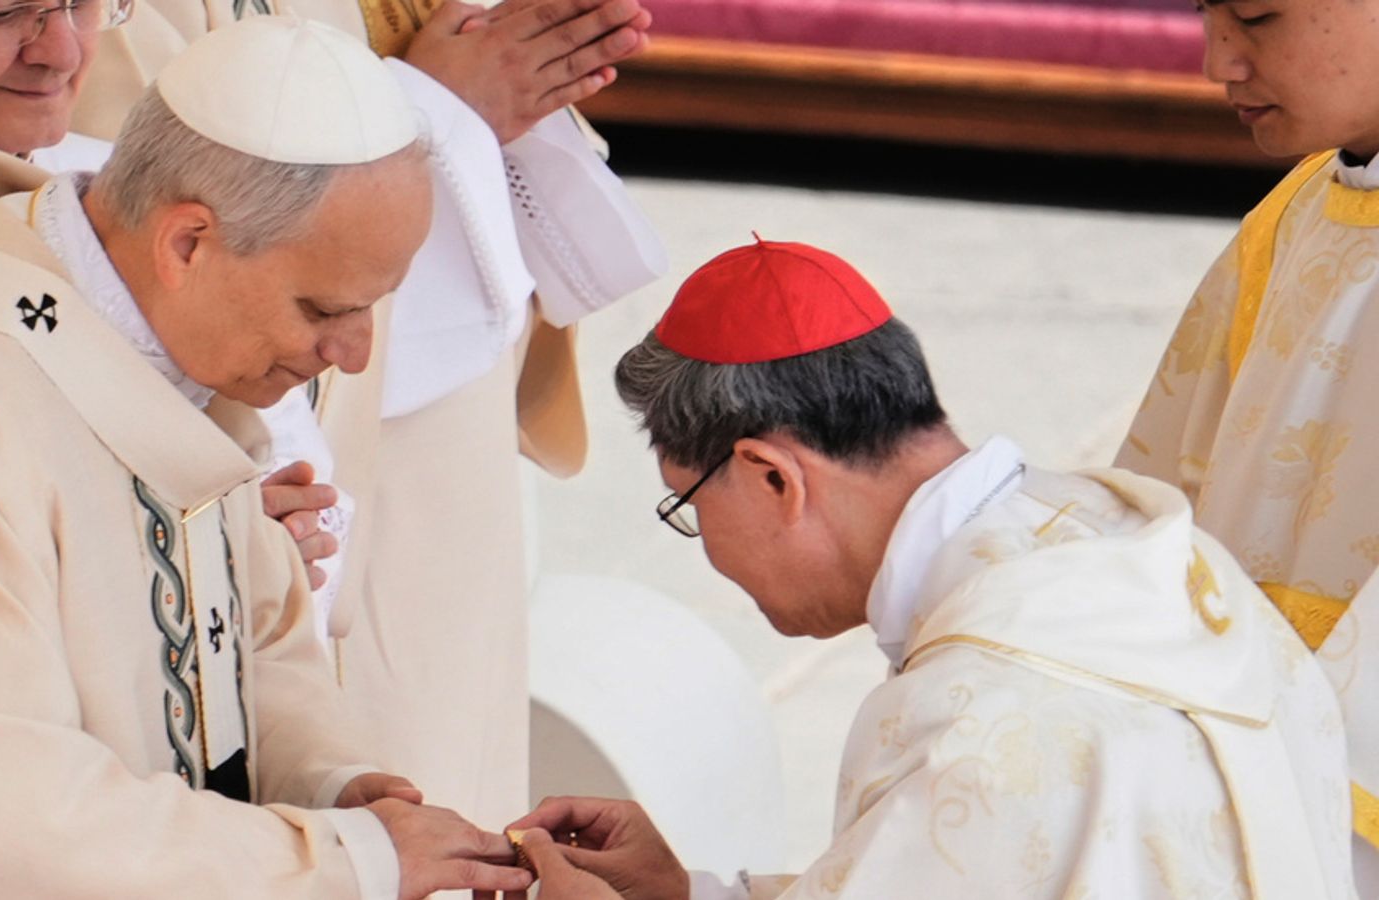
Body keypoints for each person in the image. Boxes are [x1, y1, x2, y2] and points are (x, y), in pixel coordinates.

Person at [0, 18, 534, 897]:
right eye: (325, 308)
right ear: (187, 243)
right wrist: (342, 862)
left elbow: (253, 639)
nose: (354, 354)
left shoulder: (154, 337)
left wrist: (338, 786)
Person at [511, 239, 1355, 898]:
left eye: (688, 503)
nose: (704, 542)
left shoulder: (974, 715)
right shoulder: (1162, 562)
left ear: (774, 475)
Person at [77, 0, 667, 829]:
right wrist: (423, 117)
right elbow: (137, 212)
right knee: (343, 774)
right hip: (283, 443)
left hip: (439, 442)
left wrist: (481, 106)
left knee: (445, 771)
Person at [0, 0, 349, 586]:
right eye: (1, 15)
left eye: (81, 5)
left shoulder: (126, 192)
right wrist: (198, 557)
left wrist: (279, 536)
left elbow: (287, 464)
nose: (61, 53)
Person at [1115, 0, 1379, 881]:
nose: (1216, 61)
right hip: (1238, 774)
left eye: (1258, 17)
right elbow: (1164, 513)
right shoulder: (1294, 216)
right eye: (1204, 13)